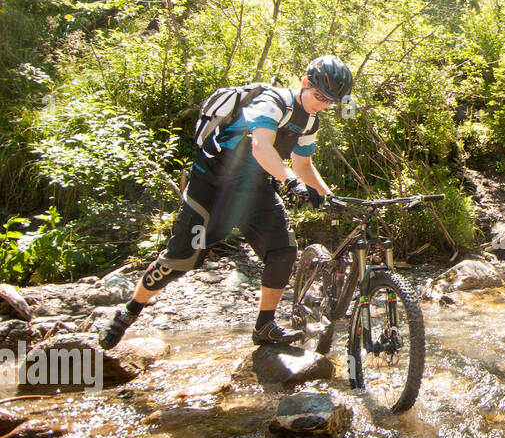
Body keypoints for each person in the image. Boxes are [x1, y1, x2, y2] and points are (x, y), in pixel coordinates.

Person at [98, 56, 353, 350]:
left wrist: (331, 196)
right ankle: (128, 312)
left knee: (283, 250)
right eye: (319, 96)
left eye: (330, 101)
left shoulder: (310, 121)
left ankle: (265, 326)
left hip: (254, 189)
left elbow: (304, 165)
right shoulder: (272, 102)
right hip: (211, 188)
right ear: (305, 83)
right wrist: (289, 181)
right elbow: (261, 147)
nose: (322, 104)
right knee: (179, 261)